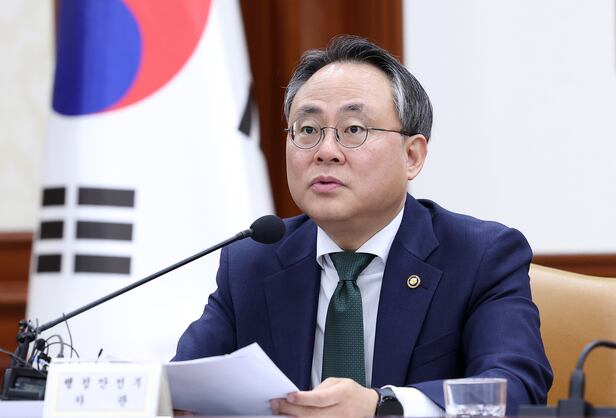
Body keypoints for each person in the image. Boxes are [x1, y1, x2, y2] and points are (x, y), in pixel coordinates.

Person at [173, 35, 552, 417]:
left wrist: (382, 406)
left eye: (354, 129)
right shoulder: (252, 261)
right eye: (308, 130)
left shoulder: (479, 257)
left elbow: (515, 391)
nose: (326, 151)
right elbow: (181, 388)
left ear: (412, 156)